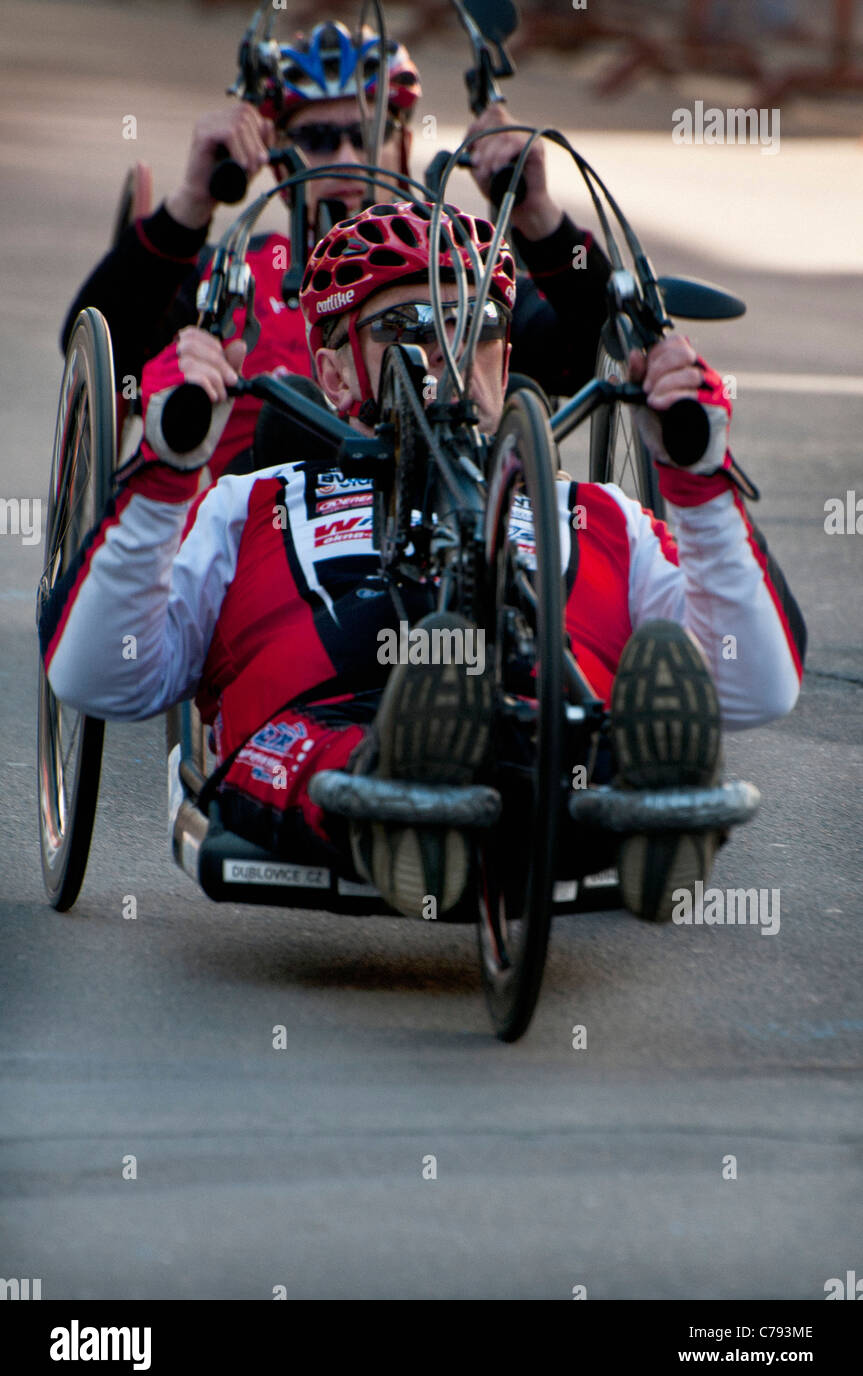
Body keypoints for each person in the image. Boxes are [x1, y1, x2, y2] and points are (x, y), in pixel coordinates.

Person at [41, 201, 806, 924]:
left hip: (547, 729)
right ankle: (409, 791)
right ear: (334, 374)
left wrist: (698, 480)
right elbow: (99, 674)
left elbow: (753, 685)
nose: (448, 355)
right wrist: (164, 470)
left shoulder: (603, 516)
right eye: (408, 325)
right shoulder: (248, 505)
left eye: (475, 327)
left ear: (506, 361)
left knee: (600, 738)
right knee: (336, 750)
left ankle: (634, 800)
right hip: (326, 731)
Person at [60, 17, 610, 477]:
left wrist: (538, 216)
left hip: (453, 554)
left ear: (404, 148)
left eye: (368, 133)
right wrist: (191, 202)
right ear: (277, 156)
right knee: (292, 416)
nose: (347, 154)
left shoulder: (462, 278)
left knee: (518, 395)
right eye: (318, 139)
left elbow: (598, 355)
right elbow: (99, 357)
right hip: (265, 541)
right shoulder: (232, 273)